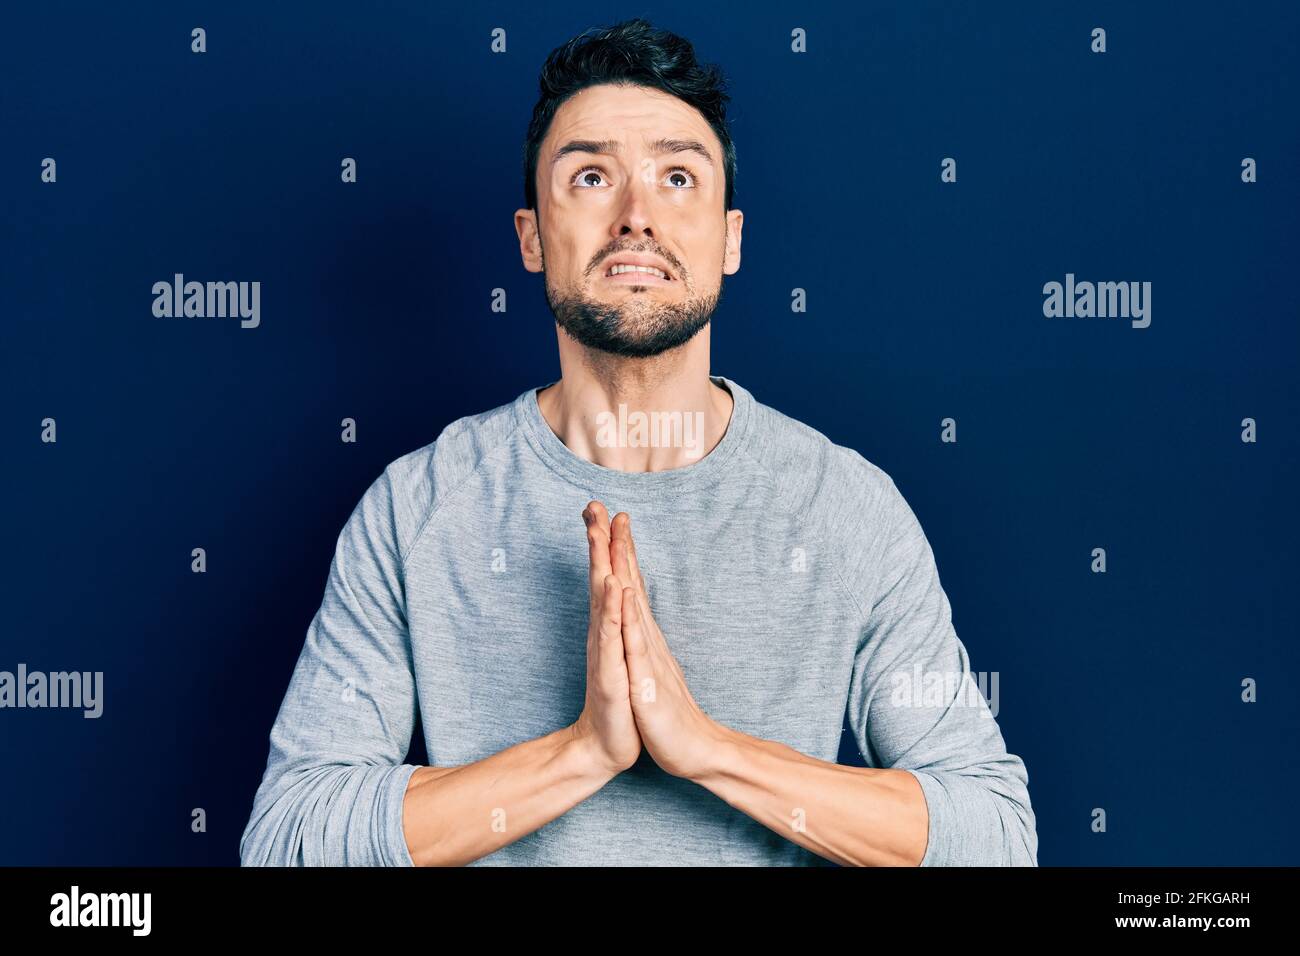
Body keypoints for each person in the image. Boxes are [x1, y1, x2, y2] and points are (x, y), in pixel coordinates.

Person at [239, 17, 1037, 867]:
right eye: (590, 176)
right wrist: (582, 752)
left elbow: (992, 837)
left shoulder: (846, 508)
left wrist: (708, 750)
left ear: (730, 239)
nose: (636, 217)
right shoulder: (416, 508)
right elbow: (289, 840)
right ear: (532, 237)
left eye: (678, 177)